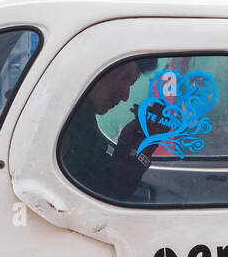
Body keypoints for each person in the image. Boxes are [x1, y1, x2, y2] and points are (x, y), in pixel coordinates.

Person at [59, 56, 160, 202]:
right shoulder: (66, 125)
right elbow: (105, 194)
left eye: (130, 83)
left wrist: (127, 142)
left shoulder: (82, 117)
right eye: (124, 77)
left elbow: (105, 176)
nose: (125, 96)